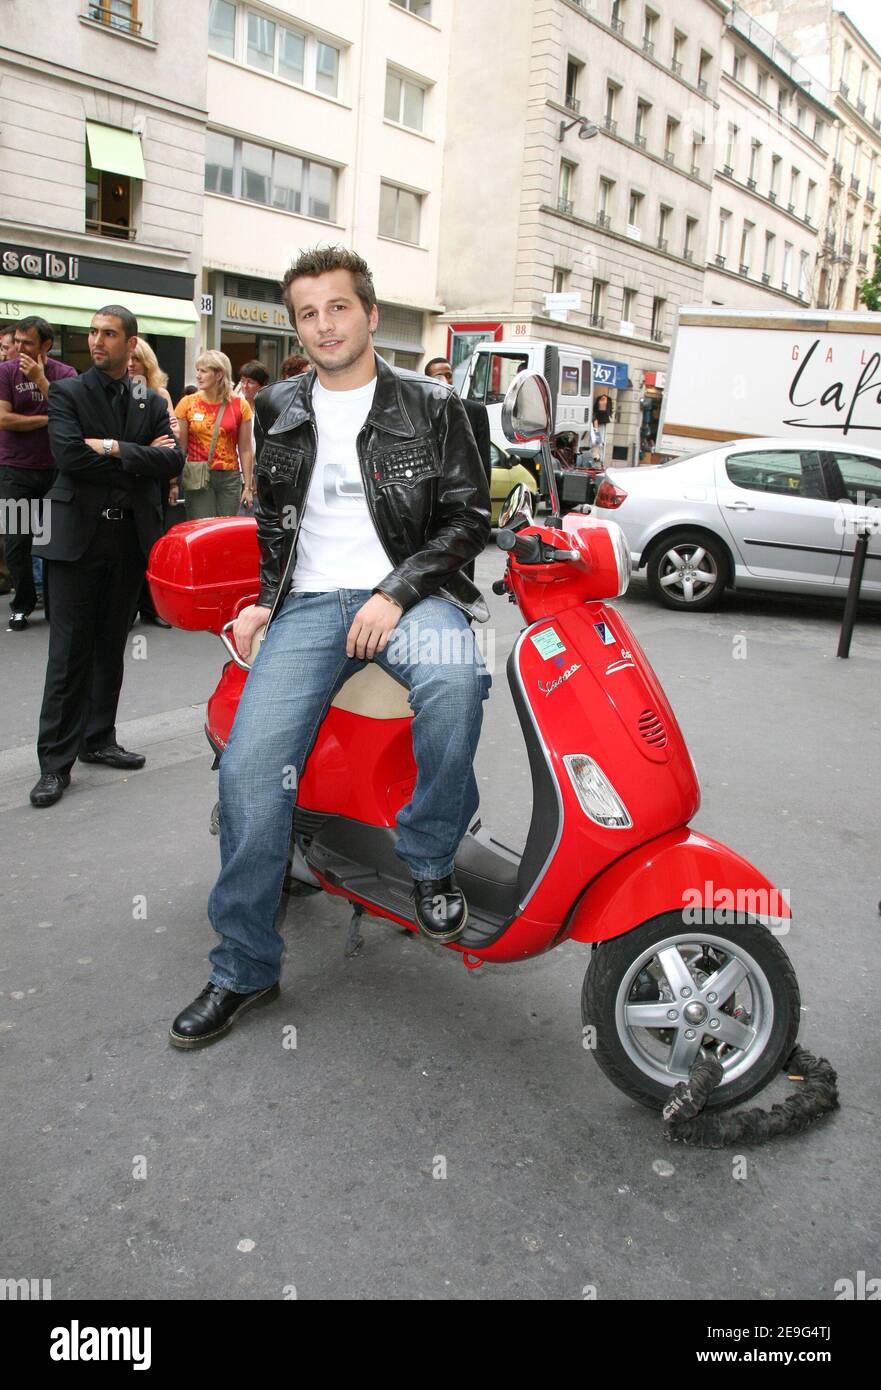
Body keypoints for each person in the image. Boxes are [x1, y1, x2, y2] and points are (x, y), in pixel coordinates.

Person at [169, 245, 491, 1050]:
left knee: (457, 682)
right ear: (296, 327)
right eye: (307, 314)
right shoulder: (278, 404)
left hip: (409, 596)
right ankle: (244, 965)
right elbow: (275, 522)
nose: (324, 325)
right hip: (309, 606)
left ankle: (426, 856)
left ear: (370, 314)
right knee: (247, 770)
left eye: (338, 307)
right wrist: (260, 603)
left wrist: (394, 592)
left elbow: (466, 520)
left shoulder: (431, 403)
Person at [29, 305, 183, 809]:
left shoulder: (148, 398)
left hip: (127, 542)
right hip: (76, 541)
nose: (97, 341)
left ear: (131, 342)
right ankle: (55, 764)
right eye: (93, 333)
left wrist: (116, 448)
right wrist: (140, 459)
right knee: (69, 654)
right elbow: (70, 457)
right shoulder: (70, 392)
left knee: (111, 646)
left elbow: (174, 459)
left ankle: (99, 739)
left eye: (109, 334)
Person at [0, 316, 76, 631]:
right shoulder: (5, 372)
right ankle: (22, 604)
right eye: (16, 341)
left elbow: (72, 414)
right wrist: (48, 420)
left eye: (27, 342)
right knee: (17, 540)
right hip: (15, 468)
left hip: (55, 470)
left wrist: (42, 381)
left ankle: (53, 604)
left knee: (51, 542)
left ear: (46, 344)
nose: (19, 348)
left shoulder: (65, 373)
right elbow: (4, 419)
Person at [128, 337, 178, 627]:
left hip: (154, 480)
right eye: (130, 358)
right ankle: (130, 605)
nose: (133, 363)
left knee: (152, 543)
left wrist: (171, 482)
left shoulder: (158, 394)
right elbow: (125, 443)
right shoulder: (120, 393)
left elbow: (170, 444)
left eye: (138, 358)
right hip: (127, 478)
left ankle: (150, 606)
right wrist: (147, 447)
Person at [175, 351, 255, 519]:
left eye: (203, 371)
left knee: (225, 531)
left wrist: (248, 486)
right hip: (198, 474)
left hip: (230, 477)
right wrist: (173, 482)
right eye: (197, 370)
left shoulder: (240, 405)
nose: (198, 376)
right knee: (202, 528)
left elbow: (246, 449)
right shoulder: (187, 403)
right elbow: (180, 448)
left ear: (219, 374)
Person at [424, 356, 491, 484]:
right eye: (438, 376)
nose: (445, 380)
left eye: (449, 375)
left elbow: (483, 462)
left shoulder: (475, 411)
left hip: (464, 489)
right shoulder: (418, 411)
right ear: (427, 379)